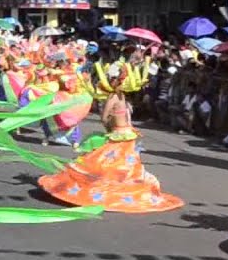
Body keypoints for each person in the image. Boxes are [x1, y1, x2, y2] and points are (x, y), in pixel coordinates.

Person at [38, 67, 183, 213]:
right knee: (122, 166)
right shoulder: (122, 96)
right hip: (128, 134)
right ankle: (118, 187)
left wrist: (108, 124)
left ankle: (101, 187)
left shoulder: (113, 97)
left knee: (104, 163)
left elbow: (104, 117)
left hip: (120, 135)